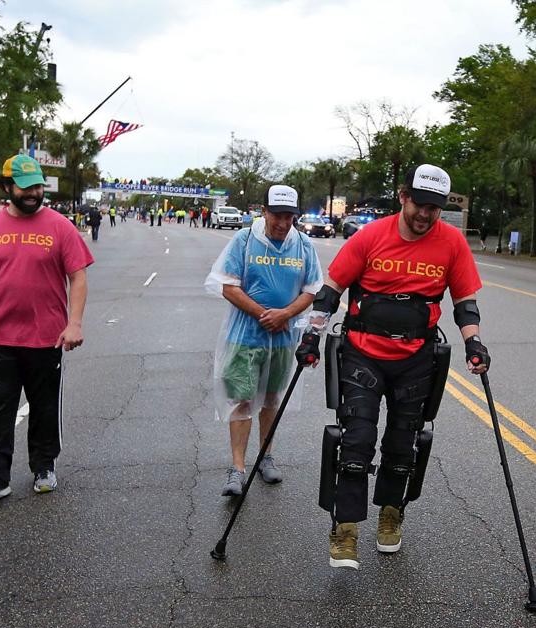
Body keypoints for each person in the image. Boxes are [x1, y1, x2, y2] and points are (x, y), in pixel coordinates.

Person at [294, 164, 487, 570]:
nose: (424, 214)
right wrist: (311, 334)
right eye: (419, 204)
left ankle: (391, 514)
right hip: (363, 352)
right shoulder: (371, 236)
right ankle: (345, 526)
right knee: (357, 439)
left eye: (434, 208)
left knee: (404, 444)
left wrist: (474, 342)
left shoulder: (452, 243)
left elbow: (465, 302)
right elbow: (331, 291)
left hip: (416, 358)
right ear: (403, 196)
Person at [0, 154, 93, 508]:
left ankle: (44, 466)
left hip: (47, 338)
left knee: (44, 407)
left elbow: (78, 277)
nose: (33, 193)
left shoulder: (60, 226)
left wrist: (74, 322)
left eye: (37, 186)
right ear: (6, 187)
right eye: (25, 186)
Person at [205, 185, 322, 497]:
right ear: (264, 212)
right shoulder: (244, 240)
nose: (282, 223)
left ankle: (265, 458)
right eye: (276, 215)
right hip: (244, 336)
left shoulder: (304, 245)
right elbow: (228, 285)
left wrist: (284, 314)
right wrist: (262, 314)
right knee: (242, 400)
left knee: (271, 399)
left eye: (289, 217)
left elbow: (312, 289)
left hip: (282, 338)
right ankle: (237, 469)